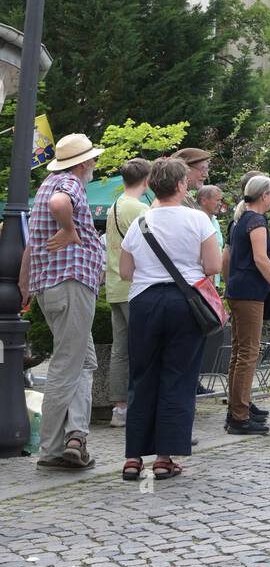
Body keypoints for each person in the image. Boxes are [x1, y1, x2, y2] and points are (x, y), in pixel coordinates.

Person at [118, 158, 221, 480]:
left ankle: (133, 458)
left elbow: (125, 271)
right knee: (178, 377)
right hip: (184, 303)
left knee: (142, 376)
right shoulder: (197, 220)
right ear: (181, 185)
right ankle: (164, 458)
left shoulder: (140, 222)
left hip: (145, 301)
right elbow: (213, 265)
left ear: (151, 186)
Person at [18, 133, 106, 471]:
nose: (95, 166)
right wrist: (70, 230)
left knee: (83, 361)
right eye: (93, 161)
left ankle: (75, 438)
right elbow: (60, 206)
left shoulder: (48, 184)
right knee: (67, 365)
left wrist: (26, 280)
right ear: (82, 162)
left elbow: (32, 243)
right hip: (71, 284)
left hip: (53, 286)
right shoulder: (67, 184)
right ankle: (52, 449)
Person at [225, 174, 270, 434]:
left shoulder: (241, 219)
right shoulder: (257, 220)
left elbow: (245, 257)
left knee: (239, 353)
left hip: (238, 289)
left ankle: (237, 408)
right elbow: (260, 259)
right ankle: (239, 415)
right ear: (265, 196)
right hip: (250, 292)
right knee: (249, 353)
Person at [104, 158, 152, 428]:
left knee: (120, 350)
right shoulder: (140, 208)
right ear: (146, 181)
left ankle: (118, 408)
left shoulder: (114, 207)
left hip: (115, 285)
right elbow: (150, 244)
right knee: (145, 347)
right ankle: (142, 405)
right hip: (136, 285)